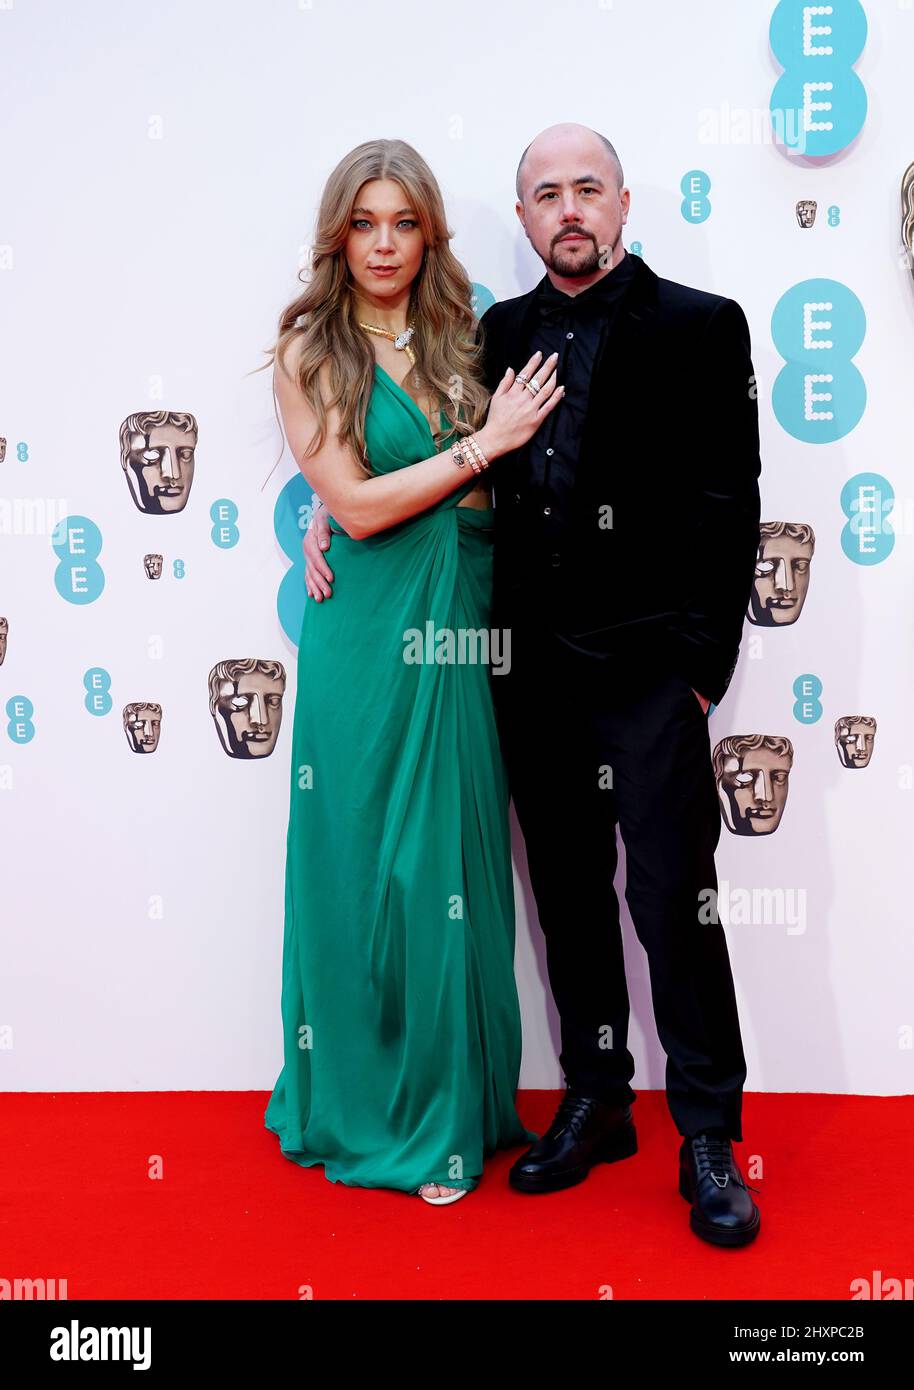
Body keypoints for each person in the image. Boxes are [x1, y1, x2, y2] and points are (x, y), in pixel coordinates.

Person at [304, 124, 763, 1245]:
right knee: (565, 900)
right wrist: (327, 513)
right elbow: (405, 448)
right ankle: (599, 1097)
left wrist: (696, 673)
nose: (567, 208)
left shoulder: (702, 326)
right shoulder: (491, 334)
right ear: (520, 220)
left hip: (650, 675)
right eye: (544, 193)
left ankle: (706, 1130)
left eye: (586, 188)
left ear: (620, 202)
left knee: (672, 902)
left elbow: (728, 505)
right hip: (522, 672)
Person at [262, 138, 564, 1205]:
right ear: (337, 234)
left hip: (463, 617)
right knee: (365, 867)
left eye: (402, 222)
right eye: (363, 223)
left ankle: (455, 1108)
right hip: (365, 631)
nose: (383, 244)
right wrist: (482, 446)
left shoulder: (464, 329)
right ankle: (361, 1100)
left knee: (447, 863)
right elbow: (353, 502)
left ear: (426, 230)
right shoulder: (308, 349)